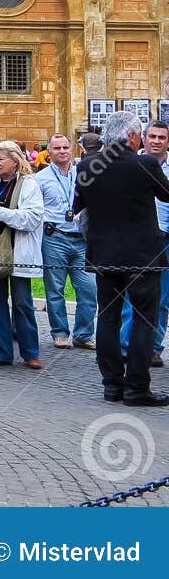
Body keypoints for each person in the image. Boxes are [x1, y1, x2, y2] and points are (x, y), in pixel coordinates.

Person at [76, 110, 169, 405]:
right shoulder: (144, 163)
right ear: (131, 136)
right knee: (144, 320)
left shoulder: (87, 165)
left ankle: (112, 385)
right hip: (142, 255)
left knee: (107, 318)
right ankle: (137, 388)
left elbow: (79, 204)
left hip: (104, 254)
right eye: (140, 134)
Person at [0, 141, 45, 369]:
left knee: (22, 303)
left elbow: (33, 218)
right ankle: (1, 351)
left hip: (17, 251)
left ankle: (30, 352)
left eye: (1, 159)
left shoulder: (29, 184)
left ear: (15, 161)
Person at [34, 133, 95, 350]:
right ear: (48, 152)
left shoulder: (85, 173)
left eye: (66, 147)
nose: (62, 151)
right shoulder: (40, 179)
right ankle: (60, 332)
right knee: (55, 289)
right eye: (57, 148)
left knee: (89, 288)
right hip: (54, 237)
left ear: (72, 150)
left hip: (82, 239)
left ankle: (84, 333)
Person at [122, 120, 169, 367]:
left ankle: (153, 347)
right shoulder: (130, 164)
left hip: (166, 239)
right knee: (131, 297)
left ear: (167, 141)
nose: (156, 141)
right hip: (137, 241)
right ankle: (127, 345)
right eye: (152, 136)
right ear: (143, 138)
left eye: (162, 137)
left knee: (162, 300)